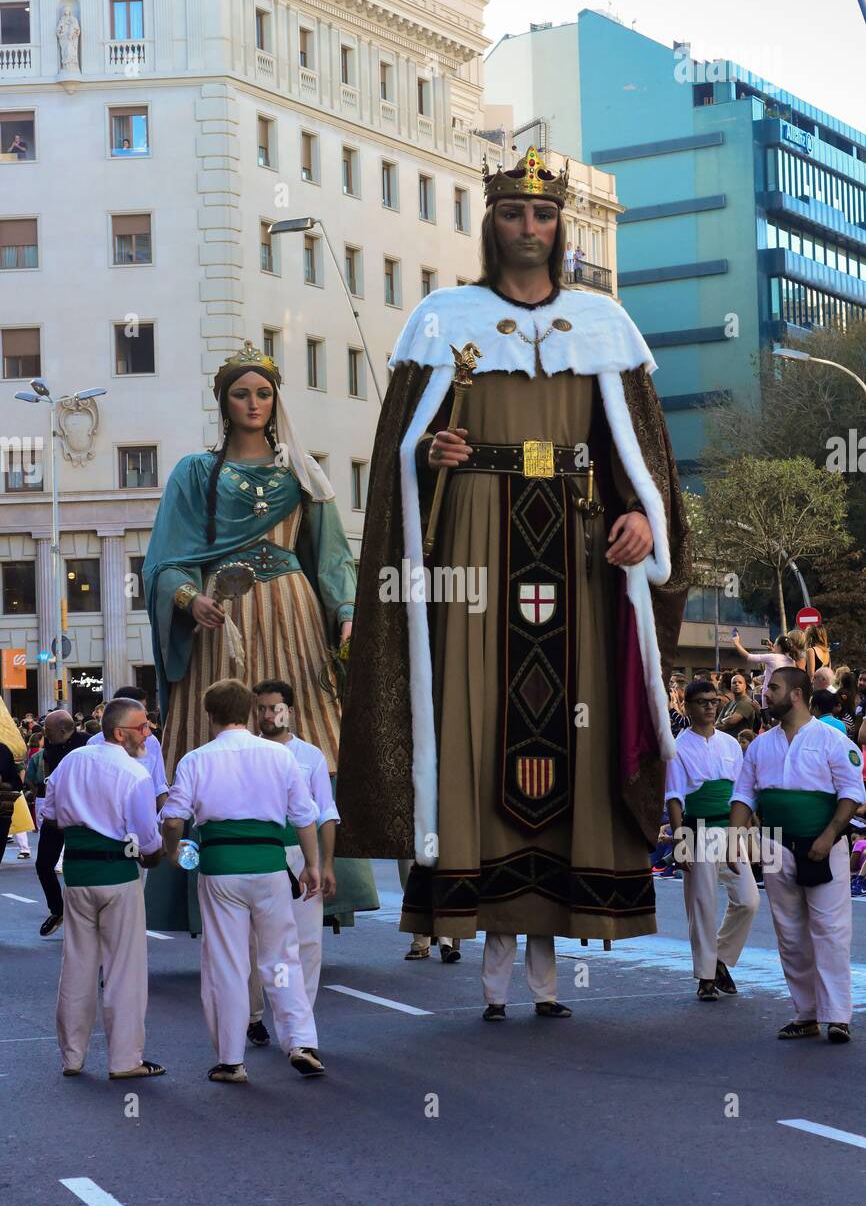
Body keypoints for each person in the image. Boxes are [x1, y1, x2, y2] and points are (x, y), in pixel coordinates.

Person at [336, 144, 691, 1019]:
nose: (528, 227)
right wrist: (431, 456)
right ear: (489, 223)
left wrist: (642, 518)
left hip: (577, 549)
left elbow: (643, 460)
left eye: (541, 214)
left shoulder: (605, 323)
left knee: (577, 728)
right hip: (472, 551)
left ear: (560, 225)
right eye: (511, 213)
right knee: (474, 719)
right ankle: (490, 937)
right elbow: (398, 465)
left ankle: (543, 944)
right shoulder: (440, 319)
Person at [143, 339, 378, 936]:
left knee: (307, 732)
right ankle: (208, 885)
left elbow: (330, 558)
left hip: (294, 617)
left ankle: (319, 879)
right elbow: (168, 557)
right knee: (217, 732)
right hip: (224, 617)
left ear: (276, 402)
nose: (254, 403)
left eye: (264, 393)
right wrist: (189, 598)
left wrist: (347, 614)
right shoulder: (195, 472)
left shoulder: (302, 471)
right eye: (241, 393)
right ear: (224, 402)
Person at [160, 679, 324, 1081]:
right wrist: (314, 864)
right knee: (283, 957)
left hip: (219, 869)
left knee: (228, 964)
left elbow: (174, 817)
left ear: (210, 716)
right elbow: (304, 816)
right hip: (269, 867)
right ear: (249, 712)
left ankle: (231, 1059)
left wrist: (172, 852)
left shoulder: (196, 759)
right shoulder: (278, 756)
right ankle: (301, 1041)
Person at [729, 667, 863, 1043]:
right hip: (774, 842)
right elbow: (743, 795)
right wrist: (732, 839)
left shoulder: (832, 740)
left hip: (824, 844)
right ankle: (805, 1014)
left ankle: (837, 1016)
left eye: (773, 687)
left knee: (830, 931)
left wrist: (830, 834)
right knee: (789, 933)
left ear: (798, 694)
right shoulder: (760, 745)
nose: (765, 694)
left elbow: (852, 794)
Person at [43, 699, 165, 1079]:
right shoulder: (134, 773)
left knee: (78, 965)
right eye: (142, 728)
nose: (148, 733)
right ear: (119, 733)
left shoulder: (71, 762)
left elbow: (48, 814)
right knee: (124, 970)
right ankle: (125, 1059)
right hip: (118, 876)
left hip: (78, 874)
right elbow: (147, 841)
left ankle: (73, 1057)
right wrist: (154, 855)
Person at [246, 678, 340, 1046]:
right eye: (262, 708)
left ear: (290, 711)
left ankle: (300, 1026)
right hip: (260, 853)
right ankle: (254, 1015)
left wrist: (325, 863)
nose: (268, 715)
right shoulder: (246, 752)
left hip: (302, 855)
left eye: (274, 708)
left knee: (306, 943)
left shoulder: (310, 756)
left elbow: (325, 814)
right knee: (257, 943)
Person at [665, 679, 759, 1000]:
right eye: (702, 701)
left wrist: (744, 834)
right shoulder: (678, 747)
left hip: (729, 830)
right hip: (697, 829)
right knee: (703, 904)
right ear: (689, 707)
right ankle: (705, 977)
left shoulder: (731, 744)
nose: (709, 706)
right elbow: (675, 797)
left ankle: (718, 957)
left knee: (748, 900)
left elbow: (741, 793)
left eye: (713, 701)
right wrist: (680, 841)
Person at [30, 711, 89, 936]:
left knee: (79, 864)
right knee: (43, 864)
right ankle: (58, 909)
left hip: (83, 814)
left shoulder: (86, 743)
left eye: (49, 731)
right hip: (56, 812)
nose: (46, 735)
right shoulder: (51, 749)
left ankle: (83, 916)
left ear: (64, 730)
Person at [87, 684, 168, 810]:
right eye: (140, 709)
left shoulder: (151, 742)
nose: (145, 714)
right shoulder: (94, 744)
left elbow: (159, 786)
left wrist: (162, 822)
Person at [715, 671, 756, 736]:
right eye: (734, 683)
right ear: (731, 687)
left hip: (740, 742)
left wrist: (723, 722)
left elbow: (732, 720)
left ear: (745, 686)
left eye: (740, 682)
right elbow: (716, 724)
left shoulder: (747, 702)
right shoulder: (730, 703)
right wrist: (726, 721)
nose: (737, 684)